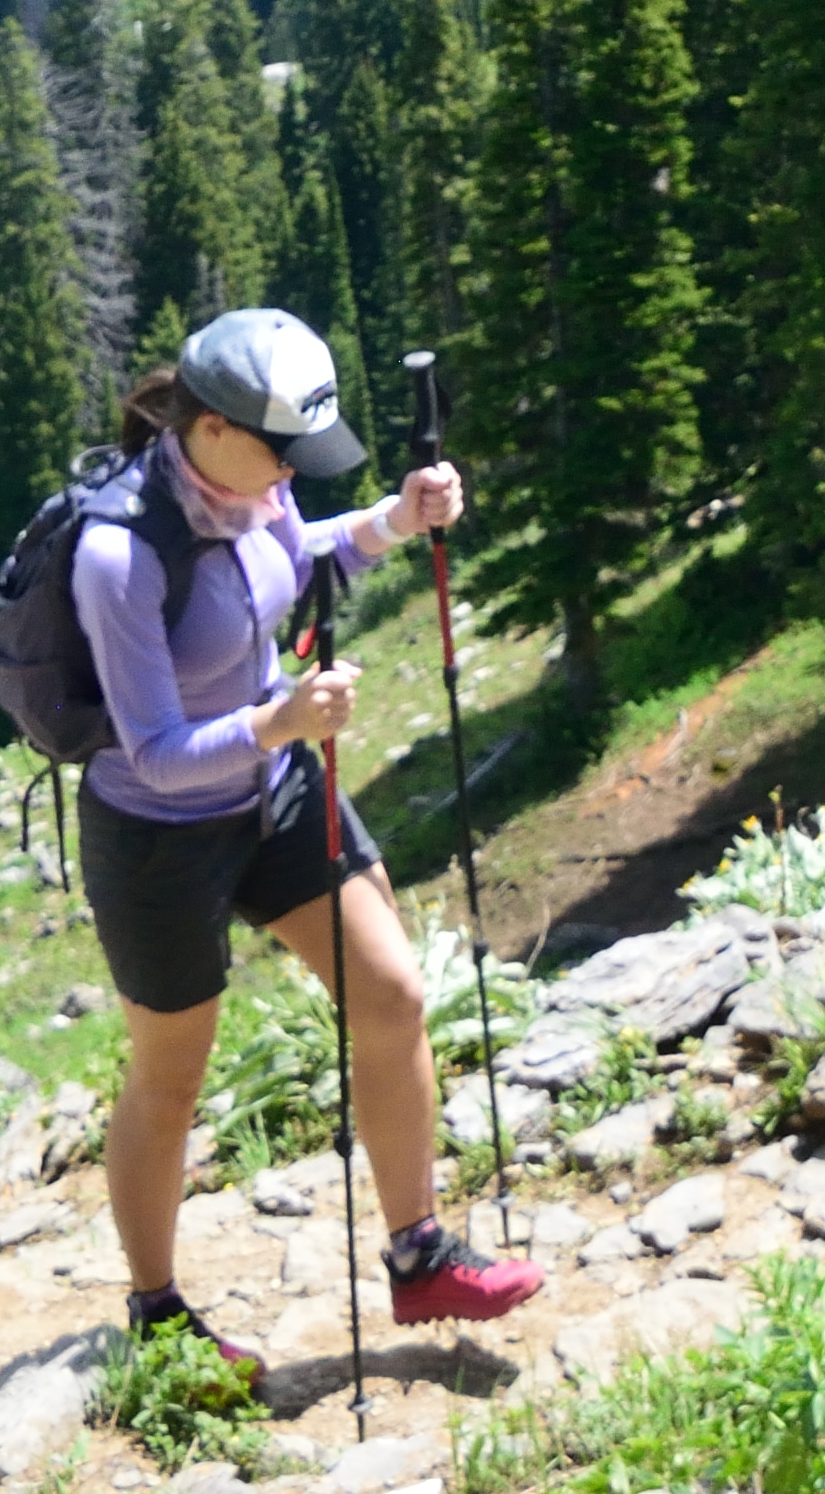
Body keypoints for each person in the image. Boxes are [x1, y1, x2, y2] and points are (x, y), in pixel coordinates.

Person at [74, 305, 541, 1365]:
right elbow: (150, 751)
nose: (293, 476)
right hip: (160, 834)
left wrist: (392, 518)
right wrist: (277, 720)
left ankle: (421, 1259)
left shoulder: (257, 486)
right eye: (282, 454)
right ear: (214, 429)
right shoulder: (119, 556)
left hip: (273, 787)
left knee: (393, 991)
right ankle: (158, 1314)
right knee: (171, 1076)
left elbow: (299, 555)